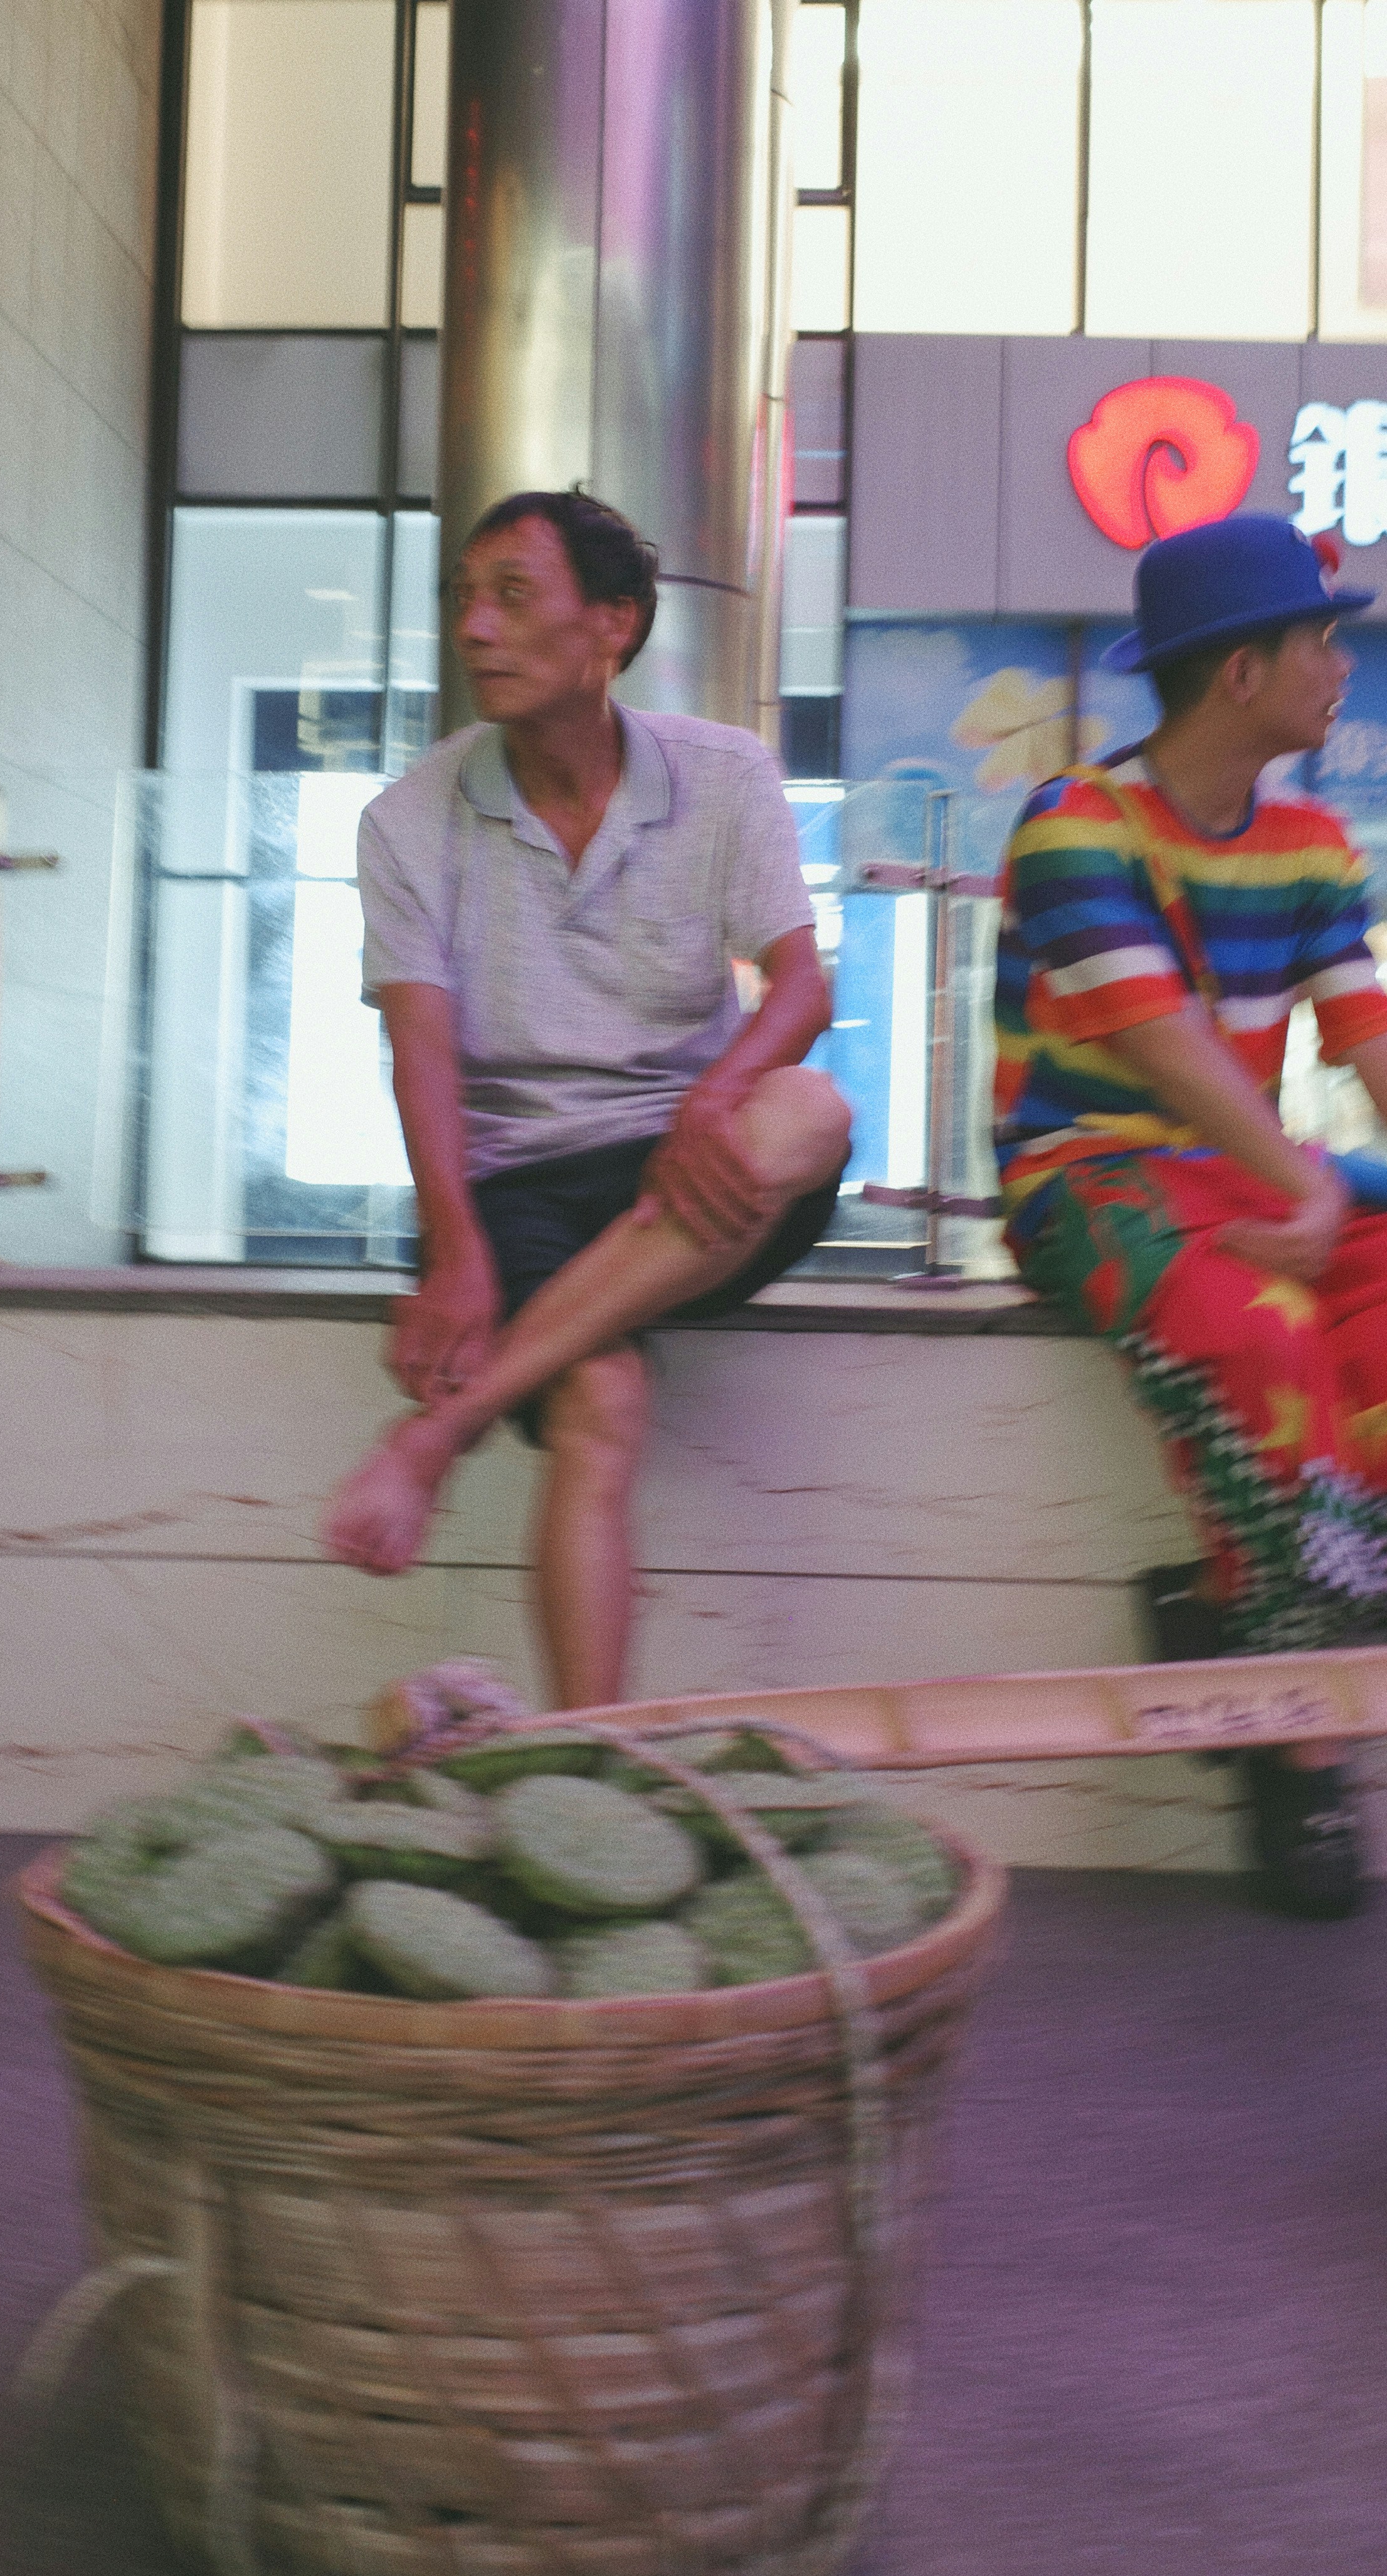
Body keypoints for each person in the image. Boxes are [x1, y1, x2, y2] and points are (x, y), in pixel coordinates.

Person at [994, 514, 1387, 1920]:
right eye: (1319, 637)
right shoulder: (1075, 821)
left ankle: (1237, 1615)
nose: (1339, 664)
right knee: (1262, 1337)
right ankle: (1302, 1752)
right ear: (1239, 672)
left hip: (1244, 1169)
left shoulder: (1309, 837)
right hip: (1089, 1171)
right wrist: (1303, 1185)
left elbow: (1359, 1022)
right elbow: (1158, 1039)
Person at [320, 491, 852, 1709]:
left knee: (811, 1112)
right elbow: (422, 1054)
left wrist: (716, 1102)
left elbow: (799, 985)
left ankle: (436, 1439)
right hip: (514, 1187)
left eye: (511, 595)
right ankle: (593, 1759)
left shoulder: (723, 775)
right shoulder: (406, 820)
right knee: (604, 1393)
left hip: (686, 1157)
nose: (474, 628)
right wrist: (453, 1250)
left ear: (609, 626)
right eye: (463, 597)